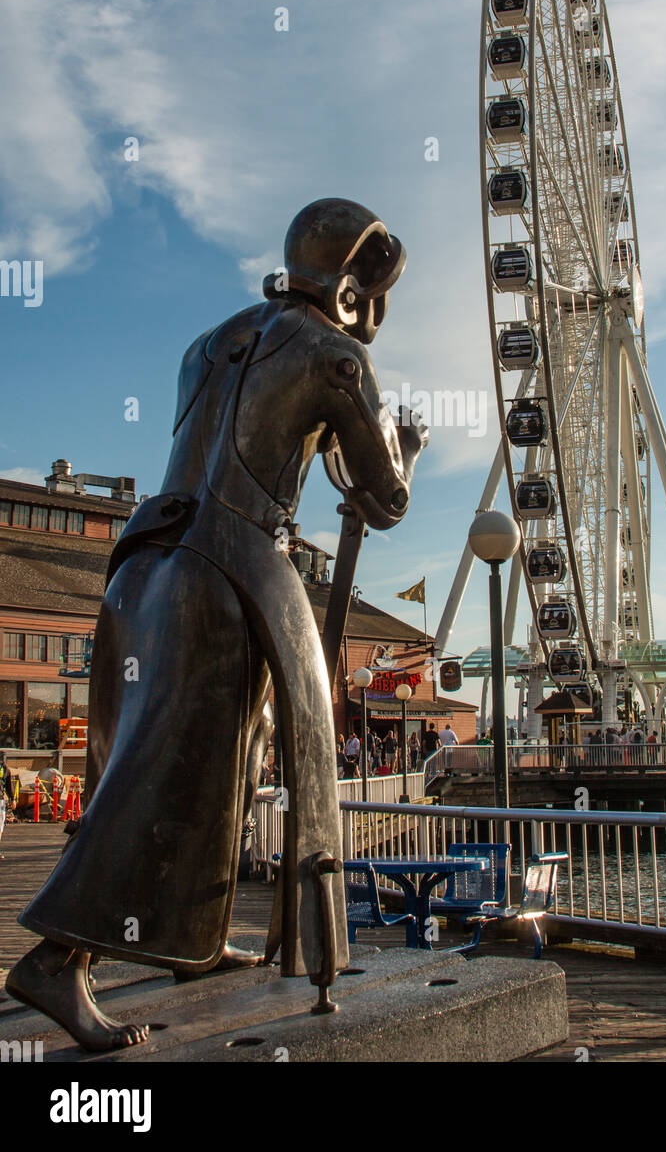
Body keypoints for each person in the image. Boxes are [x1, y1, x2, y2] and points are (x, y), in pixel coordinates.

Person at [7, 198, 427, 1052]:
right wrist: (404, 450)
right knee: (171, 768)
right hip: (228, 568)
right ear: (350, 286)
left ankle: (188, 942)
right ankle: (59, 960)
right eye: (372, 291)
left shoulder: (206, 344)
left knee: (207, 757)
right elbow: (383, 499)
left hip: (146, 558)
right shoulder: (337, 360)